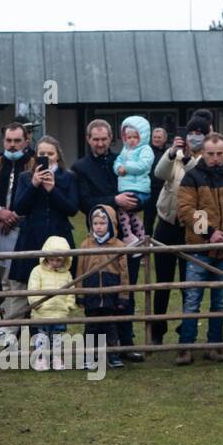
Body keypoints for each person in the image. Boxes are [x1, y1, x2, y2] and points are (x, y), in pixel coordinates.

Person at [175, 132, 223, 365]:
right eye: (211, 154)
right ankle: (185, 347)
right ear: (203, 153)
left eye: (220, 153)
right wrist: (210, 232)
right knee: (192, 299)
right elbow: (186, 208)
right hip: (200, 248)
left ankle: (215, 345)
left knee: (220, 301)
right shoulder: (191, 177)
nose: (215, 158)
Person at [73, 118, 143, 359]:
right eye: (96, 139)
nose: (100, 143)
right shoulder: (80, 167)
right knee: (99, 291)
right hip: (98, 237)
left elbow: (137, 187)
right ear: (88, 139)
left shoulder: (122, 160)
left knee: (126, 289)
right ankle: (98, 348)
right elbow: (83, 202)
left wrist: (133, 199)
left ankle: (126, 343)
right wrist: (115, 200)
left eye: (104, 139)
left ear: (110, 139)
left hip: (126, 237)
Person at [148, 117, 205, 346]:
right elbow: (159, 174)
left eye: (199, 133)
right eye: (190, 132)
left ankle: (187, 330)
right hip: (166, 222)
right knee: (162, 281)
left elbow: (199, 178)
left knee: (188, 281)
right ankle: (157, 331)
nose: (193, 137)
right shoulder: (177, 156)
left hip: (192, 225)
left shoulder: (207, 157)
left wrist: (190, 159)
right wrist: (172, 152)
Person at [0, 122, 35, 348]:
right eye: (8, 141)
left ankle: (11, 331)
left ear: (26, 141)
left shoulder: (34, 164)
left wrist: (15, 216)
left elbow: (39, 198)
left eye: (17, 141)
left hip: (23, 232)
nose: (12, 145)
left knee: (15, 283)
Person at [12, 136, 79, 314]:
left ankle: (54, 327)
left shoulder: (68, 177)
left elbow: (72, 209)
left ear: (57, 156)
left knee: (58, 285)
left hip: (59, 236)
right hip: (31, 237)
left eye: (50, 153)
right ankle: (22, 334)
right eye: (42, 153)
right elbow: (19, 208)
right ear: (36, 155)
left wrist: (53, 190)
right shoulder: (25, 177)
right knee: (26, 287)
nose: (46, 156)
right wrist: (34, 185)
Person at [76, 204, 129, 370]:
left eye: (102, 223)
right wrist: (80, 293)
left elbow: (124, 273)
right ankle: (90, 356)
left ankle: (113, 355)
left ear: (111, 224)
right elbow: (80, 269)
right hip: (91, 291)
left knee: (110, 325)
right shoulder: (86, 245)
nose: (98, 227)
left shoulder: (119, 246)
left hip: (110, 291)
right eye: (95, 223)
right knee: (91, 326)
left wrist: (123, 295)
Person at [26, 235, 76, 371]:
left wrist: (69, 304)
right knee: (42, 337)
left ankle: (56, 358)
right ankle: (41, 359)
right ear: (46, 257)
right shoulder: (37, 271)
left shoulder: (67, 274)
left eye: (59, 260)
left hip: (60, 312)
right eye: (52, 259)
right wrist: (37, 304)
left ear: (65, 259)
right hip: (42, 312)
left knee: (57, 338)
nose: (55, 262)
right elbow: (32, 289)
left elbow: (71, 290)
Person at [114, 115, 154, 243]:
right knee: (131, 214)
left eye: (135, 137)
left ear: (142, 137)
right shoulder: (125, 150)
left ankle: (129, 236)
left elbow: (143, 165)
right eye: (129, 137)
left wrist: (126, 168)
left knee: (122, 209)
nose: (131, 140)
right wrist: (118, 168)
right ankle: (142, 238)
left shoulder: (145, 149)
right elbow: (117, 162)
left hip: (139, 188)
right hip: (125, 187)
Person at [144, 124, 169, 238]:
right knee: (148, 220)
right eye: (154, 137)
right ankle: (146, 248)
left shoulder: (170, 152)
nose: (156, 139)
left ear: (165, 139)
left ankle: (161, 243)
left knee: (164, 220)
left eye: (159, 137)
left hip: (165, 190)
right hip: (150, 190)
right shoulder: (146, 151)